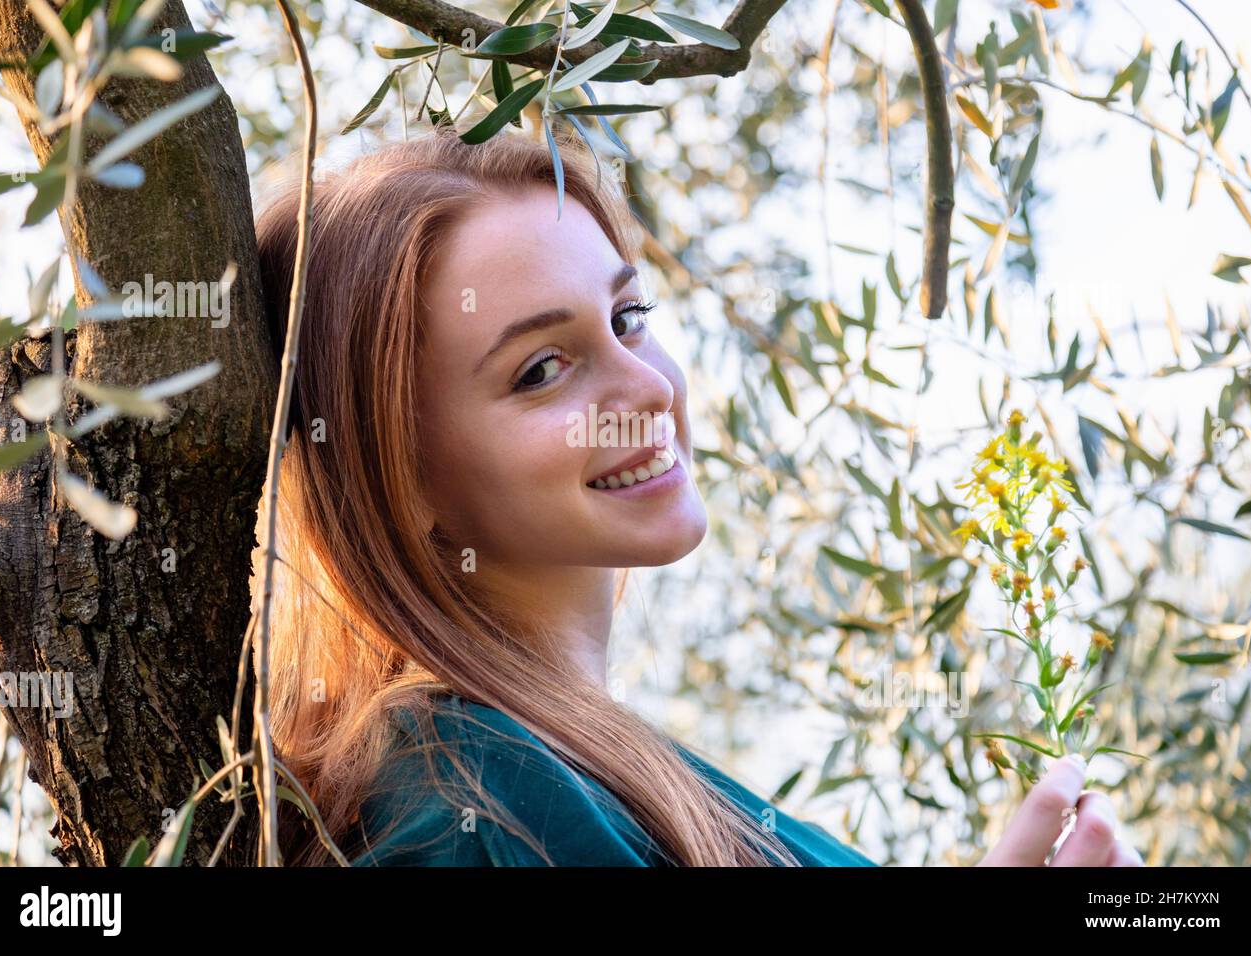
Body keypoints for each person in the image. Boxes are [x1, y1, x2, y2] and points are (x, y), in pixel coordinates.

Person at [254, 125, 1142, 867]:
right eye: (541, 369)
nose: (646, 386)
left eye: (628, 318)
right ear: (394, 478)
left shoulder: (574, 771)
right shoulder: (479, 813)